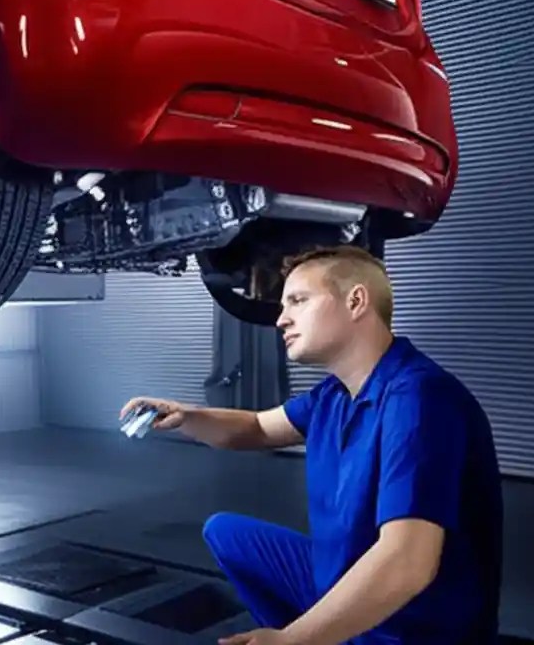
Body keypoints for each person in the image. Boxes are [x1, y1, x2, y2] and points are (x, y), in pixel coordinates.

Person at [122, 245, 503, 645]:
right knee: (226, 533)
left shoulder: (420, 399)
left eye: (298, 301)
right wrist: (186, 415)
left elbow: (407, 563)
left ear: (356, 301)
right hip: (357, 586)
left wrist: (294, 639)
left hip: (413, 630)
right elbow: (256, 427)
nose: (281, 319)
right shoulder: (335, 395)